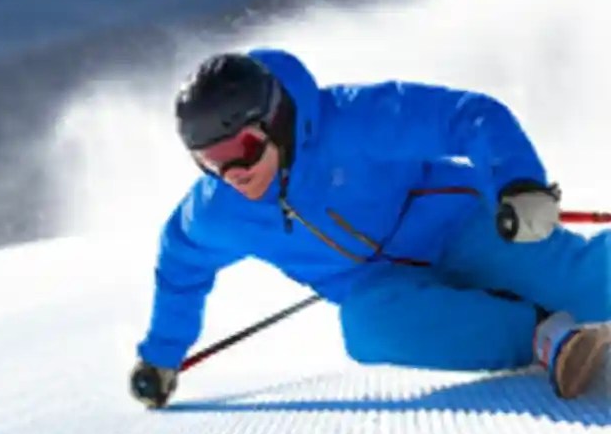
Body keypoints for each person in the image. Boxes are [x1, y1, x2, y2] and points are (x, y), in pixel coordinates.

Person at [129, 47, 611, 408]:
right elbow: (180, 265)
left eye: (243, 149)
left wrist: (517, 182)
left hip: (458, 225)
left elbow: (466, 116)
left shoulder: (348, 120)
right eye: (210, 161)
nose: (232, 173)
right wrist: (161, 354)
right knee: (366, 328)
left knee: (587, 286)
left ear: (273, 121)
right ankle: (541, 335)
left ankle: (571, 297)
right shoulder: (220, 208)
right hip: (383, 285)